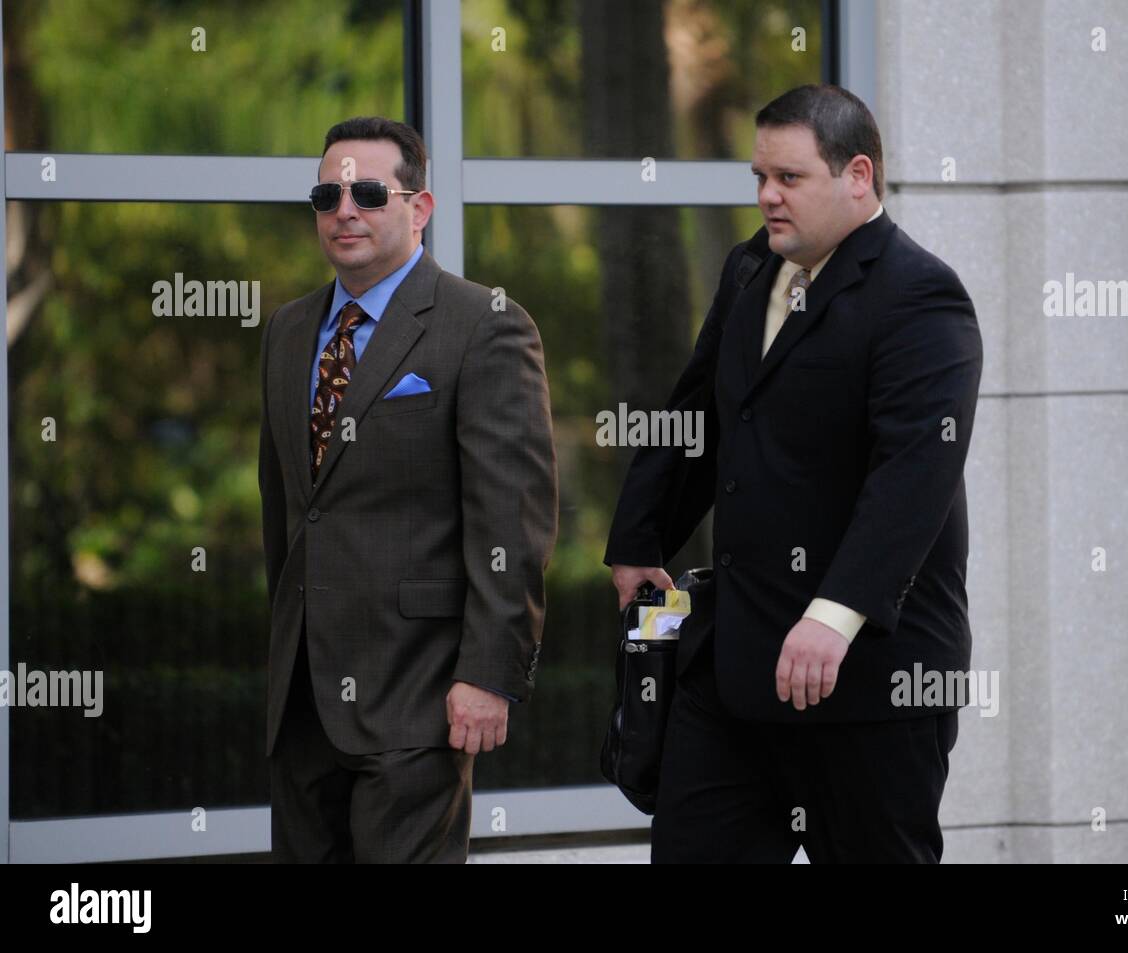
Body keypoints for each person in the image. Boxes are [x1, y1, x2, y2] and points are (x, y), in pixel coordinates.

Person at [604, 84, 983, 863]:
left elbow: (914, 473)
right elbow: (700, 412)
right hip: (735, 669)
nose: (768, 197)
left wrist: (834, 613)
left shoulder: (921, 295)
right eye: (759, 177)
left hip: (871, 680)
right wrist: (641, 536)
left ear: (858, 176)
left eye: (789, 178)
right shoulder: (751, 267)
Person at [259, 116, 557, 863]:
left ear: (419, 209)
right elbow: (288, 511)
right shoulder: (289, 331)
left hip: (418, 696)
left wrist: (490, 672)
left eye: (367, 191)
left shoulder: (482, 325)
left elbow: (512, 521)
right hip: (302, 703)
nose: (345, 210)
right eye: (327, 194)